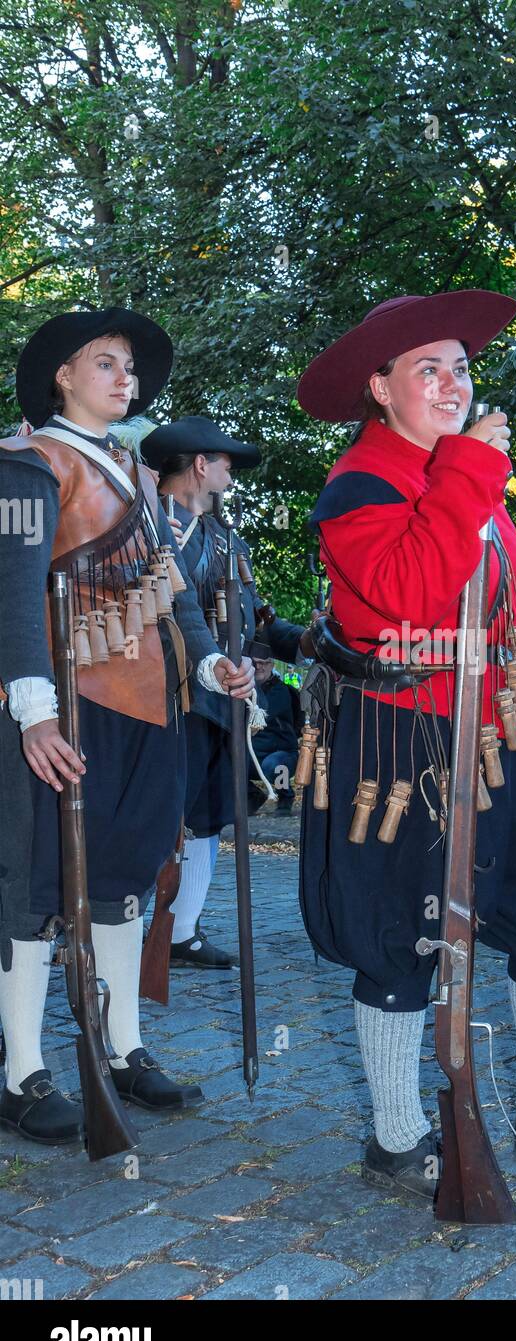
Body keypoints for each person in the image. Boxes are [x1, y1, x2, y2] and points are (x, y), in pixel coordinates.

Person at [296, 290, 516, 1200]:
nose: (452, 383)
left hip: (502, 730)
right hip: (402, 736)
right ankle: (397, 1135)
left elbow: (503, 606)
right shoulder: (360, 487)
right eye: (427, 369)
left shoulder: (468, 475)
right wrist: (466, 471)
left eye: (459, 367)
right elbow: (413, 594)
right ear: (380, 388)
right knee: (402, 936)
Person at [0, 311, 254, 1144]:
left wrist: (213, 664)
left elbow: (171, 592)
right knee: (37, 890)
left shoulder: (135, 477)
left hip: (150, 706)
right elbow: (14, 591)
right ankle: (22, 1069)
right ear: (62, 379)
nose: (124, 378)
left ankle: (121, 1047)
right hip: (66, 708)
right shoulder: (31, 464)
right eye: (103, 364)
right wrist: (33, 713)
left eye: (130, 368)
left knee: (123, 883)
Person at [141, 417, 308, 968]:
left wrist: (307, 643)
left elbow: (256, 621)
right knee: (146, 817)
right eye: (226, 461)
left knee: (210, 814)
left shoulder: (226, 538)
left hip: (217, 703)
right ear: (198, 464)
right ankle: (105, 926)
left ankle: (182, 932)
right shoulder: (139, 524)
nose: (231, 473)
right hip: (150, 698)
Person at [248, 642, 301, 816]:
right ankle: (253, 797)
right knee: (224, 761)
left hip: (281, 754)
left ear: (271, 665)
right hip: (253, 755)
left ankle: (286, 797)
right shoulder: (248, 688)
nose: (259, 667)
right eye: (255, 663)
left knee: (274, 765)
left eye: (264, 663)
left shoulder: (280, 691)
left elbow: (259, 715)